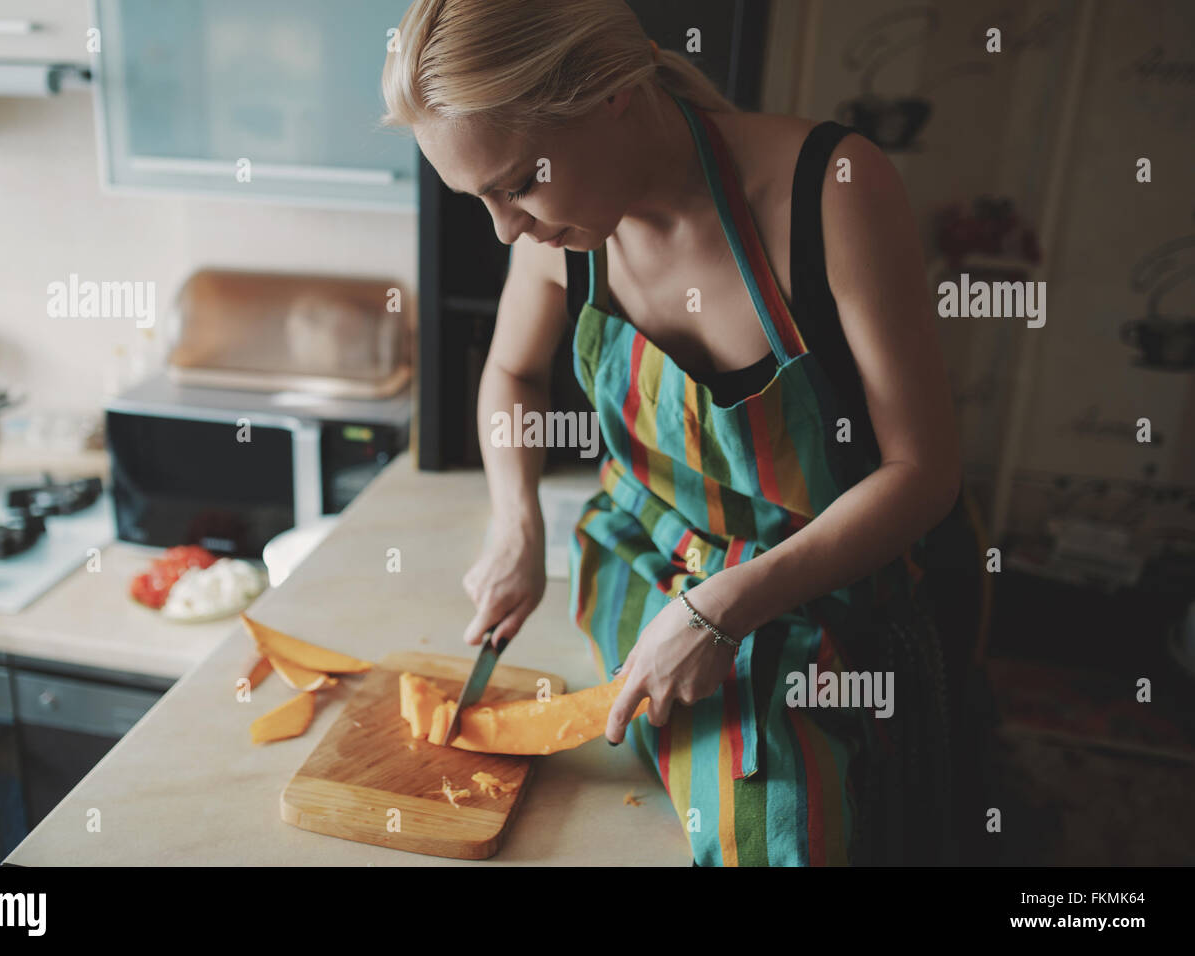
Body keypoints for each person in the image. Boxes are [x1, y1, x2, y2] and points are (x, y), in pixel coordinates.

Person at [382, 0, 970, 865]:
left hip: (815, 580)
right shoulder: (555, 222)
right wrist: (515, 522)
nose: (507, 227)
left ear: (610, 95)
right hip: (642, 550)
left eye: (517, 183)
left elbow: (923, 471)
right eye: (480, 198)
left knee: (781, 838)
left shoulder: (832, 189)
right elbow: (510, 373)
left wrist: (723, 608)